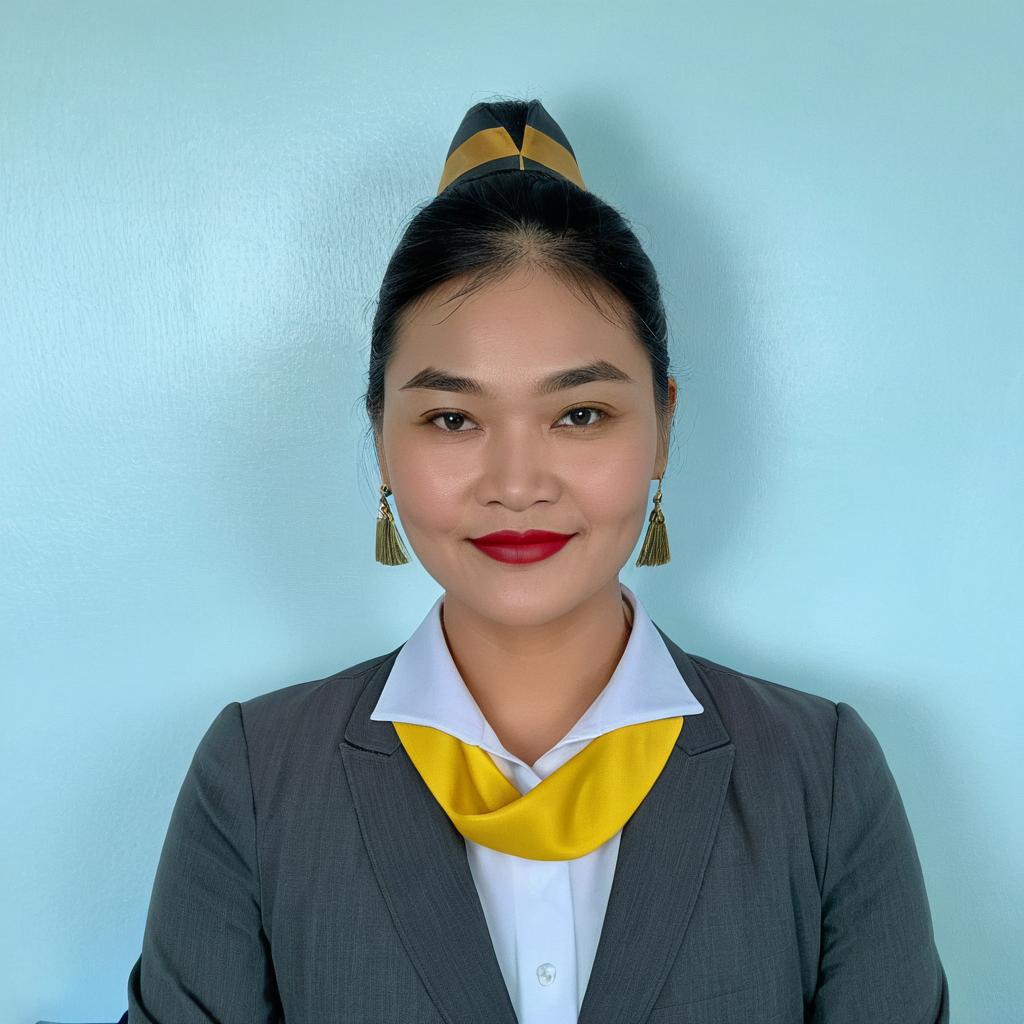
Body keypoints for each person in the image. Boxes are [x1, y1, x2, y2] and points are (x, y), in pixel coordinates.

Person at [125, 98, 949, 1023]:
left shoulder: (820, 775)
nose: (516, 484)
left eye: (580, 414)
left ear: (664, 426)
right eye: (451, 418)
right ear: (382, 438)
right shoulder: (257, 777)